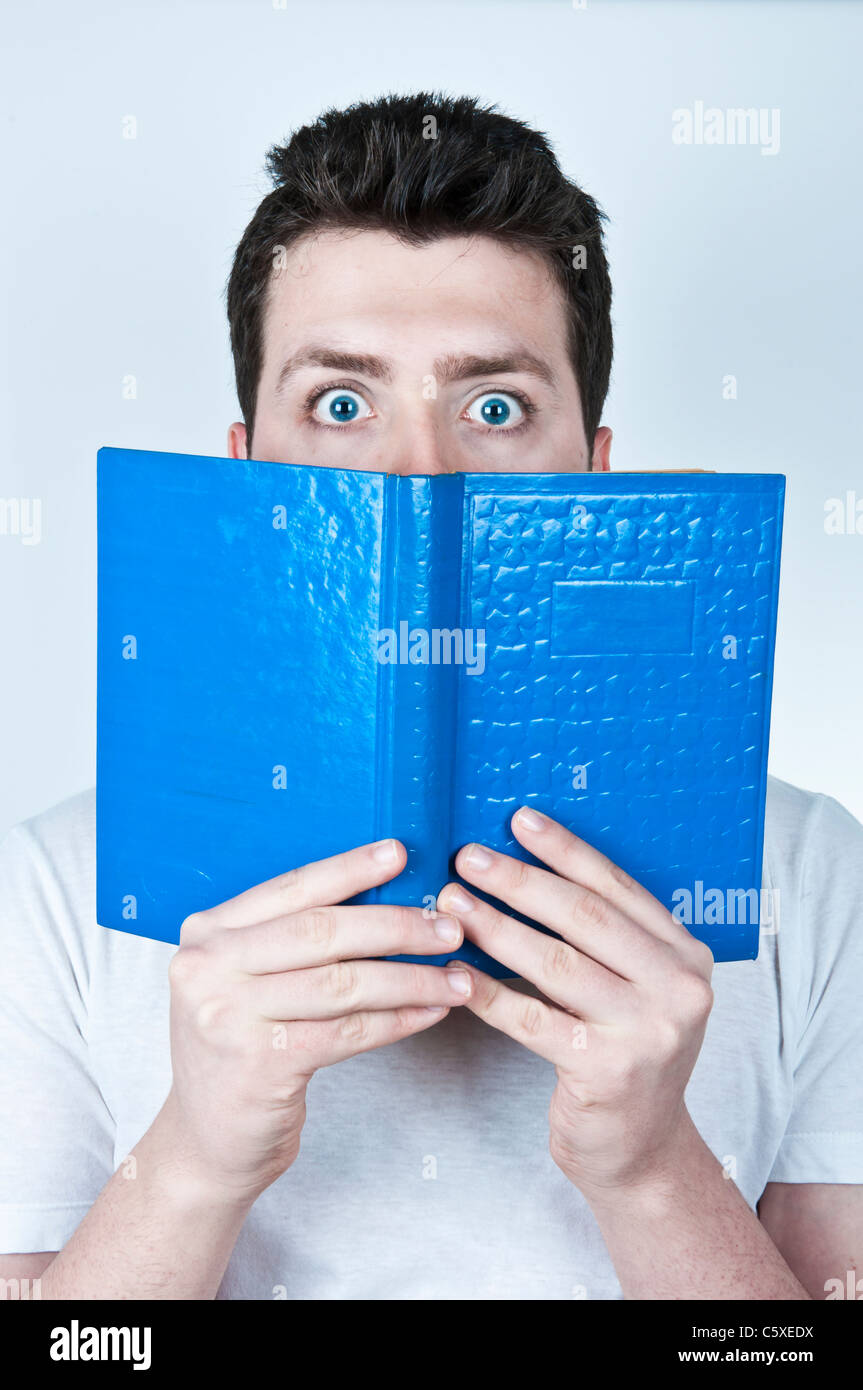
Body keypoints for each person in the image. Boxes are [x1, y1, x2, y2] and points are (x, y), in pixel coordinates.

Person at [1, 92, 861, 1301]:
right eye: (341, 404)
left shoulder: (813, 873)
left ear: (591, 472)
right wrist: (192, 1162)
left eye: (493, 406)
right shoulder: (50, 892)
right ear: (246, 468)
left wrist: (654, 1168)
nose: (420, 474)